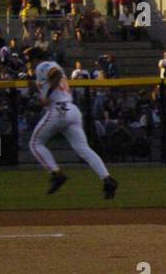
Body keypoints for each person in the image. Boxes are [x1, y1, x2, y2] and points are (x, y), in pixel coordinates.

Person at [26, 46, 118, 199]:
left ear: (35, 58)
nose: (28, 64)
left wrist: (46, 94)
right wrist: (37, 89)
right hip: (72, 110)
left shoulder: (43, 65)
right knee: (84, 149)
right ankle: (108, 180)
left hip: (59, 109)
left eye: (29, 60)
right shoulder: (44, 68)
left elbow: (56, 74)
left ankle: (56, 173)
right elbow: (51, 83)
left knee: (35, 143)